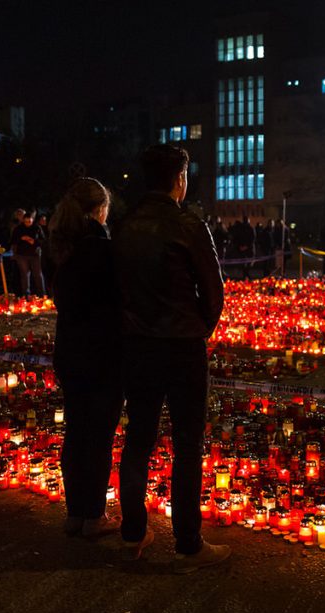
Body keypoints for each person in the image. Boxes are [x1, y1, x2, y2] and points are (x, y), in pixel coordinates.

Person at [113, 144, 229, 572]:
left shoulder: (124, 227)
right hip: (181, 346)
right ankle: (187, 543)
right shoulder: (187, 224)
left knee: (138, 440)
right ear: (180, 178)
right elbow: (213, 291)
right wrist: (198, 326)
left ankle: (132, 533)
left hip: (137, 345)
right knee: (186, 445)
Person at [49, 178, 125, 539]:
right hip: (102, 353)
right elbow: (115, 300)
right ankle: (94, 516)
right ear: (100, 209)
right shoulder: (99, 247)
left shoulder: (57, 247)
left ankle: (74, 513)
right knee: (98, 435)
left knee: (76, 431)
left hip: (69, 348)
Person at [10, 211, 46, 295]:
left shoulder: (37, 228)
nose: (27, 223)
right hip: (22, 255)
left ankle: (42, 294)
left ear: (32, 220)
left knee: (38, 275)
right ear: (23, 221)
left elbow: (43, 240)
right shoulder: (18, 229)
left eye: (29, 221)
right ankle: (26, 295)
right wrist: (21, 239)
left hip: (35, 255)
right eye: (25, 221)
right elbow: (13, 241)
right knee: (25, 275)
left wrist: (34, 241)